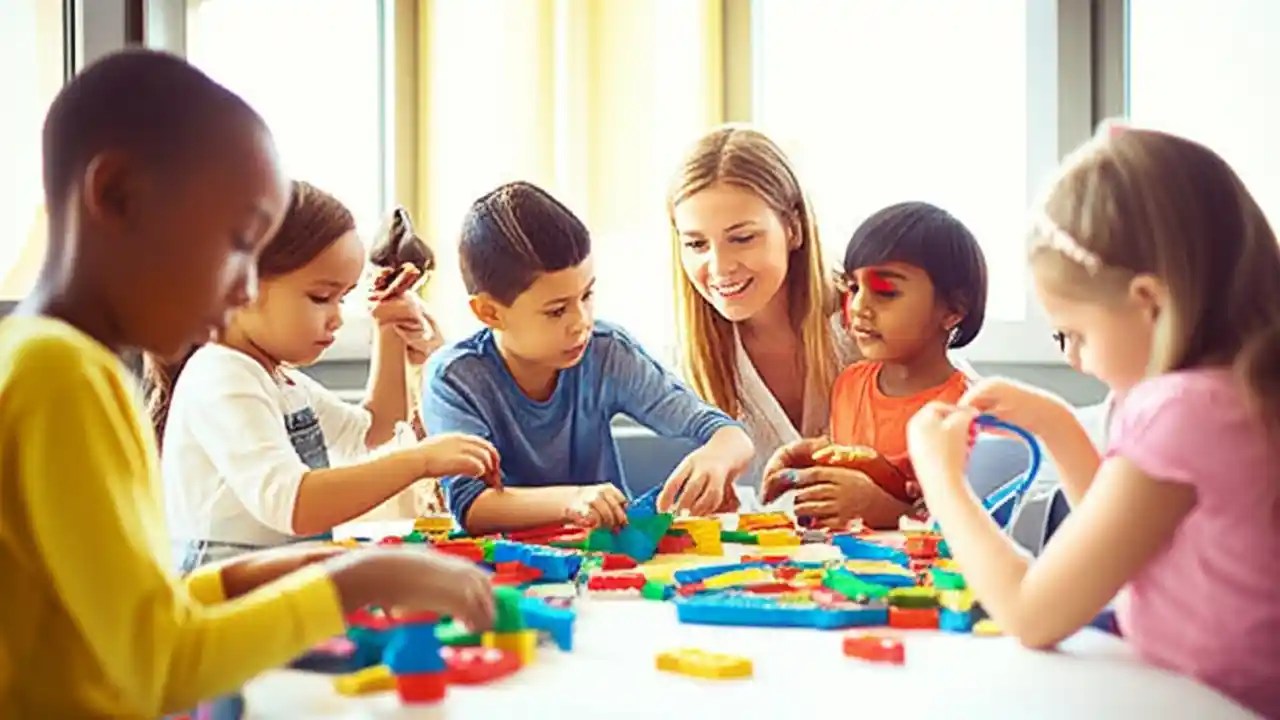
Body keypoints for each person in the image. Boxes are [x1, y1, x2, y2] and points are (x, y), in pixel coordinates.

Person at [0, 49, 494, 718]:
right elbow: (163, 662)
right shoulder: (60, 376)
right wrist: (357, 579)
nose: (243, 286)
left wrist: (324, 570)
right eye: (238, 244)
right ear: (117, 196)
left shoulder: (52, 362)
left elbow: (150, 613)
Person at [906, 126, 1280, 718]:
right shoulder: (1239, 393)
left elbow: (1033, 613)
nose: (1070, 357)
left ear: (1148, 302)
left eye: (1074, 333)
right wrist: (1055, 423)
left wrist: (940, 479)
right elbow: (1119, 538)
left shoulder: (1183, 411)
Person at [157, 181, 498, 570]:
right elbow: (294, 504)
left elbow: (372, 433)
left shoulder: (279, 379)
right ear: (242, 285)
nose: (337, 317)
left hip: (279, 577)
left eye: (343, 298)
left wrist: (387, 331)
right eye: (321, 297)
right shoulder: (223, 374)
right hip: (222, 593)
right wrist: (419, 460)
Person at [422, 181, 754, 534]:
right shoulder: (454, 379)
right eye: (556, 311)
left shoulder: (605, 351)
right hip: (503, 573)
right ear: (489, 313)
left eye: (587, 295)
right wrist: (573, 501)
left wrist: (718, 457)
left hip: (612, 569)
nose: (581, 322)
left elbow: (730, 434)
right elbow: (472, 506)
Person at [761, 202, 988, 528]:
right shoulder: (849, 383)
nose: (859, 306)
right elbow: (860, 454)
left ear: (953, 309)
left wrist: (888, 512)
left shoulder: (969, 410)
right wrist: (808, 455)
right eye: (853, 287)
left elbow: (968, 525)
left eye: (885, 292)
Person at [668, 125, 860, 499]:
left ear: (793, 228)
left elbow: (969, 448)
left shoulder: (867, 323)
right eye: (696, 244)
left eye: (742, 238)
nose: (720, 267)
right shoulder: (691, 360)